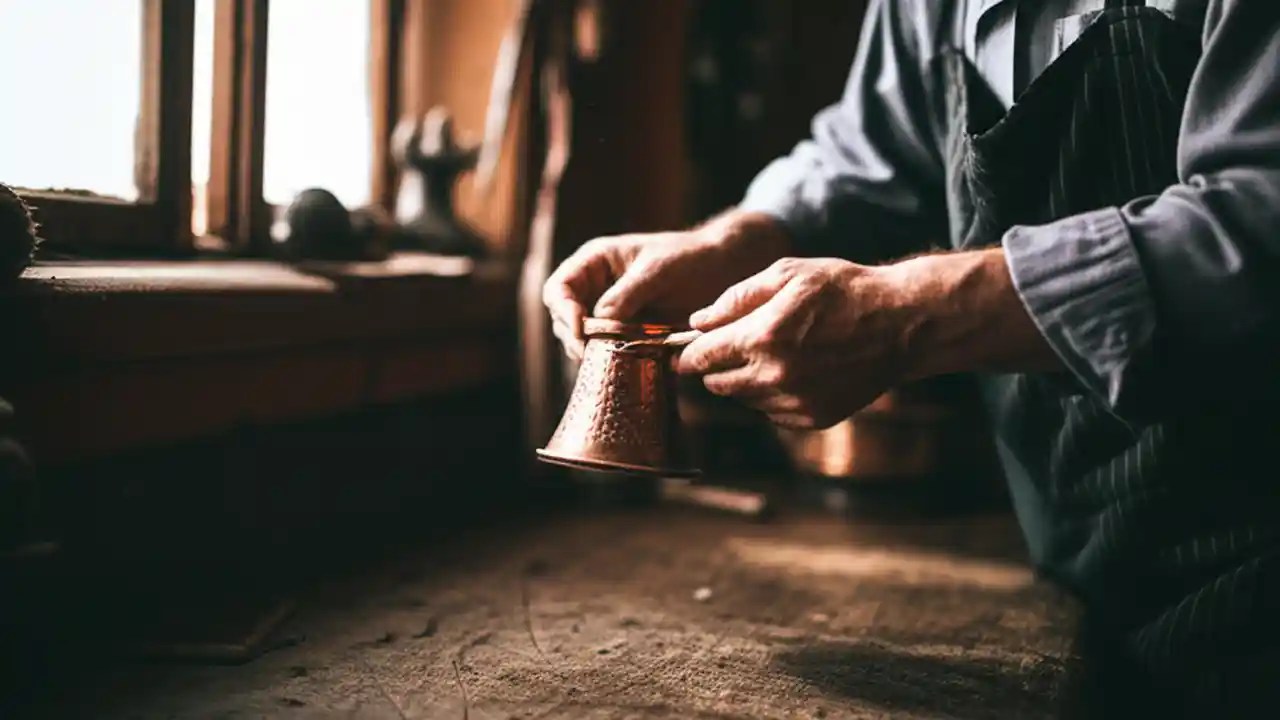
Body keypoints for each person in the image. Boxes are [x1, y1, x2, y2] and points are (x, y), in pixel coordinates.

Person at [544, 0, 1279, 714]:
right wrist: (730, 243)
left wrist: (913, 315)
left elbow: (1261, 219)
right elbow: (869, 157)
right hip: (1079, 562)